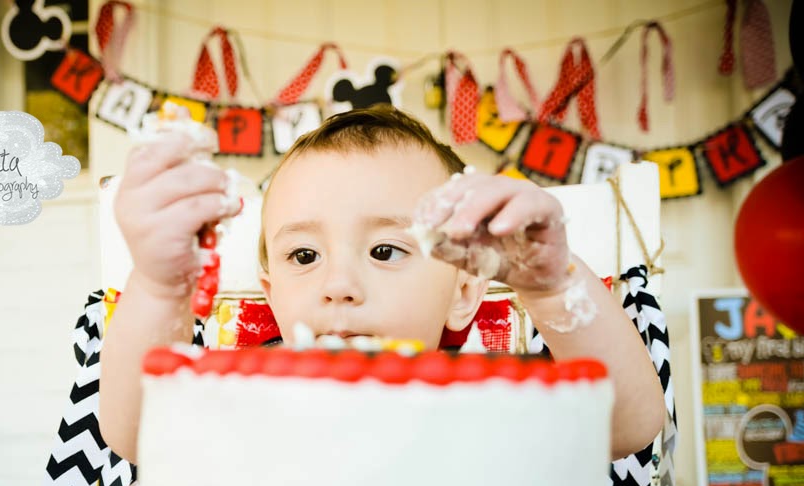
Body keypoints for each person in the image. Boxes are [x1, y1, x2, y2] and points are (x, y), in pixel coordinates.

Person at [100, 105, 666, 465]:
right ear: (271, 296)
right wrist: (158, 286)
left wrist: (550, 290)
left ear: (465, 291)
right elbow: (139, 434)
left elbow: (631, 428)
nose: (339, 284)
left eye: (385, 251)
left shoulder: (490, 397)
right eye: (304, 254)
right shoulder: (249, 394)